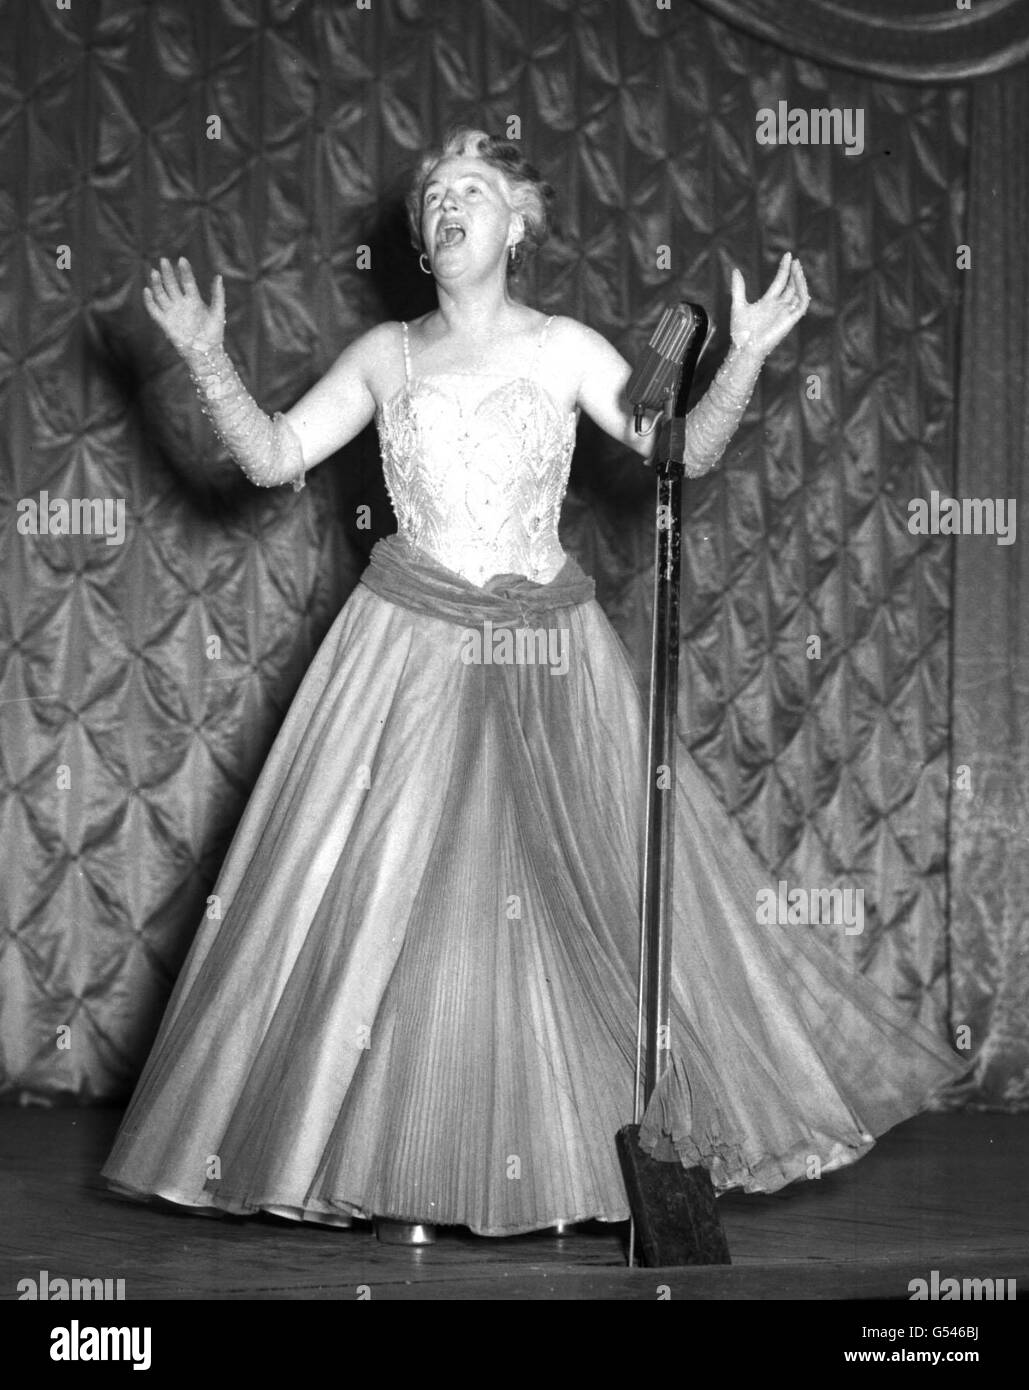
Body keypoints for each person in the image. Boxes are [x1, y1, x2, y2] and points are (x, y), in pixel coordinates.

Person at [103, 128, 964, 1244]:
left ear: (519, 224)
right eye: (432, 200)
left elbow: (679, 453)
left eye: (471, 191)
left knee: (573, 902)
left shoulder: (563, 346)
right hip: (407, 643)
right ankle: (386, 1169)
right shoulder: (385, 355)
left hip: (547, 644)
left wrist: (743, 355)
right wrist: (207, 358)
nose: (445, 209)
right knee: (391, 904)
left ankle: (567, 1171)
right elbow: (271, 457)